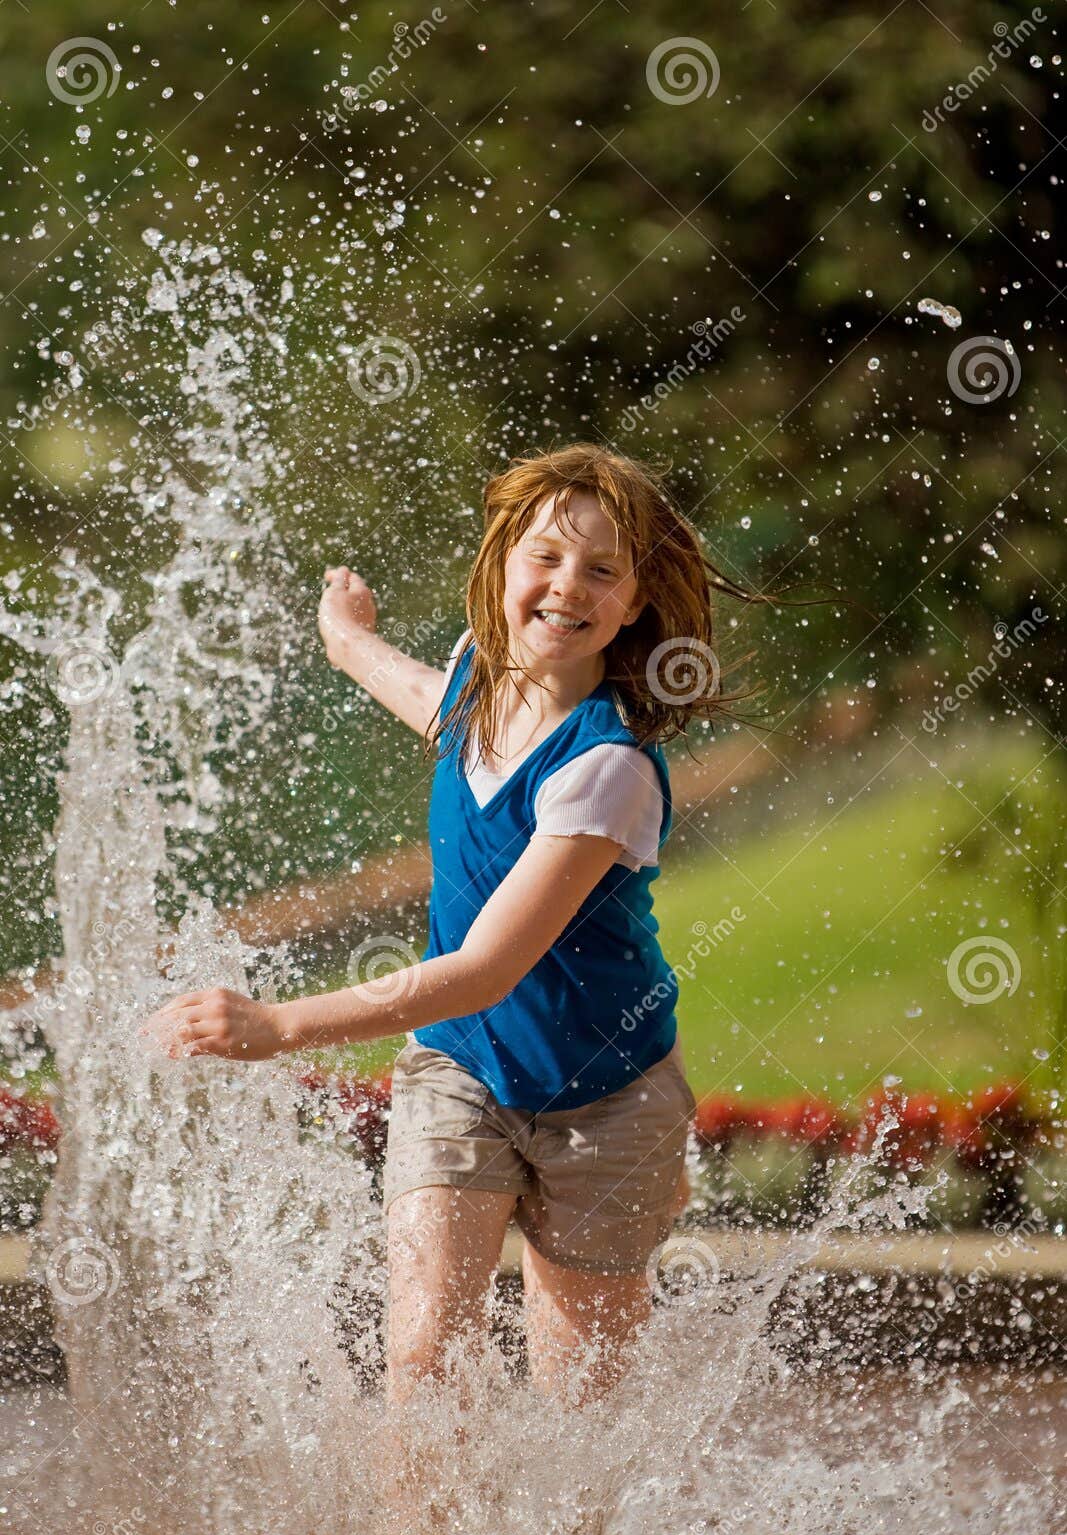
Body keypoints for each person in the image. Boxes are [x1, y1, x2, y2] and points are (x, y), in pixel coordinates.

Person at [139, 442, 781, 1411]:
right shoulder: (477, 679)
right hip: (461, 1071)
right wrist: (349, 641)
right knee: (422, 1359)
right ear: (501, 561)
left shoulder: (605, 765)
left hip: (606, 1103)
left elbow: (484, 967)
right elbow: (435, 707)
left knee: (579, 1408)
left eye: (601, 570)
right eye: (546, 557)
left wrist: (279, 1026)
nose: (567, 587)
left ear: (635, 600)